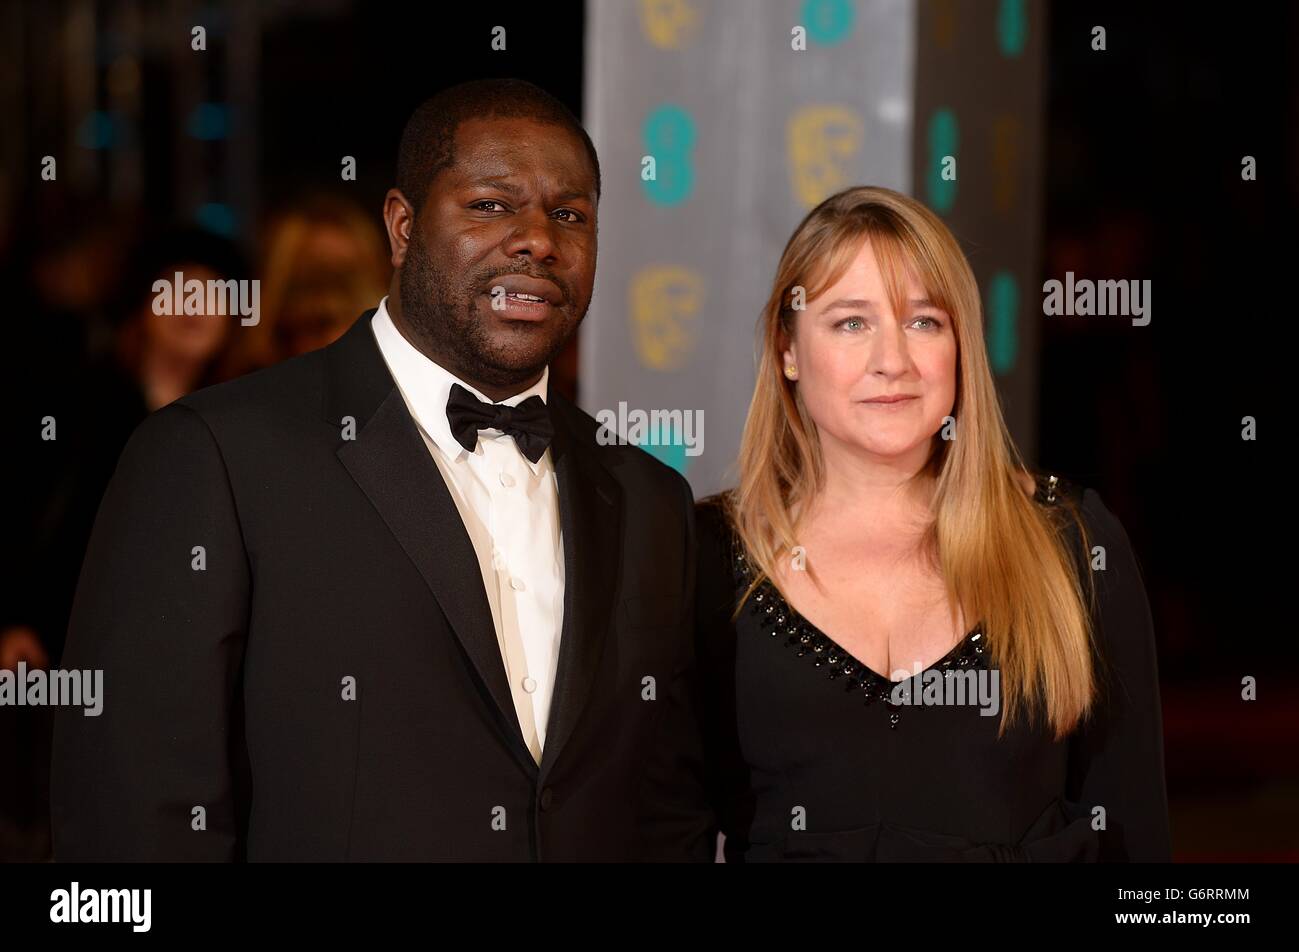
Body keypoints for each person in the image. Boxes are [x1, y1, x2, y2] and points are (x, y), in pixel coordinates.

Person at [52, 78, 713, 862]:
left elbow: (668, 813)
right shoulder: (213, 456)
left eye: (569, 214)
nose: (539, 238)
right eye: (492, 205)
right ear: (402, 227)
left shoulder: (650, 498)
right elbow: (130, 825)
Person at [696, 185, 1170, 861]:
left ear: (960, 347)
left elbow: (1136, 840)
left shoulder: (1071, 541)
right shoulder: (707, 556)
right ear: (788, 350)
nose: (893, 361)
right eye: (851, 323)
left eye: (924, 322)